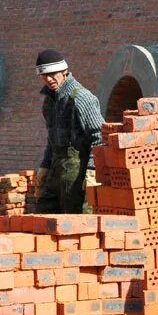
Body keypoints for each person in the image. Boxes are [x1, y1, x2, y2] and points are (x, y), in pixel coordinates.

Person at [34, 49, 104, 213]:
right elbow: (52, 140)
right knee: (42, 215)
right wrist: (44, 166)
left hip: (78, 172)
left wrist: (93, 171)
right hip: (56, 168)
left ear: (64, 71)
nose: (49, 80)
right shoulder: (49, 102)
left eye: (53, 74)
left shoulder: (81, 98)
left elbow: (100, 136)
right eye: (44, 76)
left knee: (76, 222)